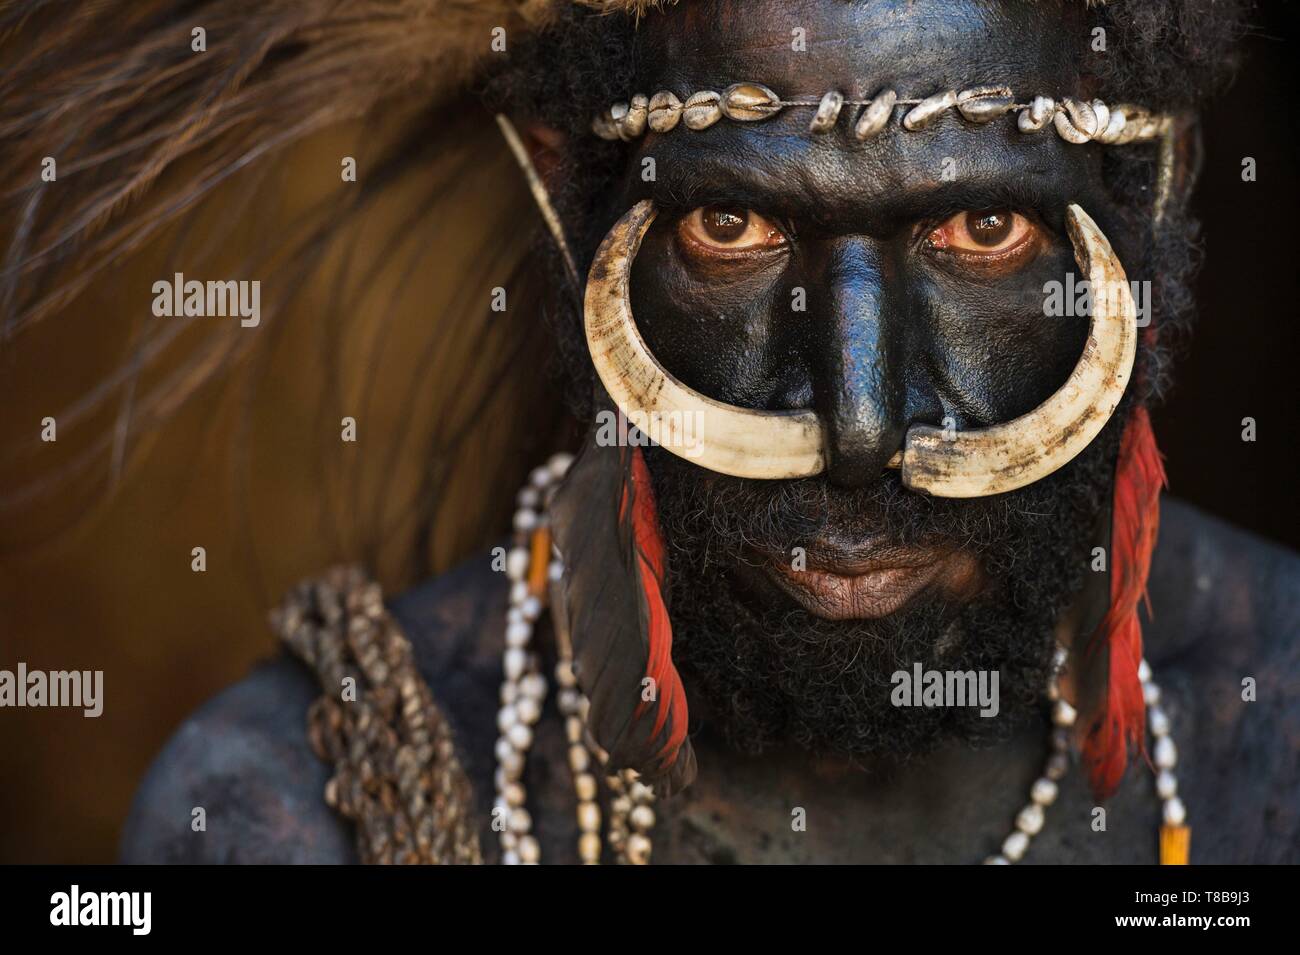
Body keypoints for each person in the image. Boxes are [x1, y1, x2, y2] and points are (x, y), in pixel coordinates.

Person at [8, 0, 1292, 864]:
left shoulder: (1268, 723)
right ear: (574, 212)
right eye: (729, 231)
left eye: (981, 233)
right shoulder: (288, 807)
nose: (856, 431)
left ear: (1146, 195)